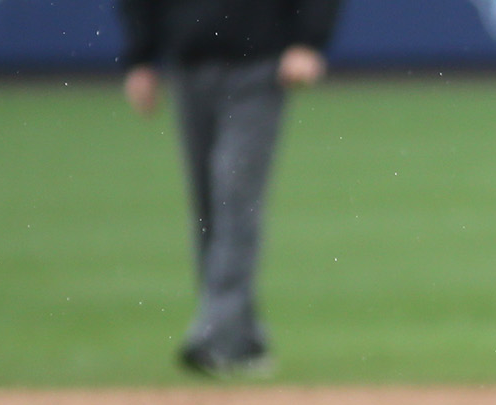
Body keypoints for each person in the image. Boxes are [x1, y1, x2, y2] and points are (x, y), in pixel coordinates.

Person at [118, 0, 343, 376]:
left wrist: (309, 41)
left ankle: (216, 335)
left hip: (259, 63)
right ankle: (243, 339)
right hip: (188, 62)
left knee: (235, 194)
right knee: (208, 204)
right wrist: (140, 57)